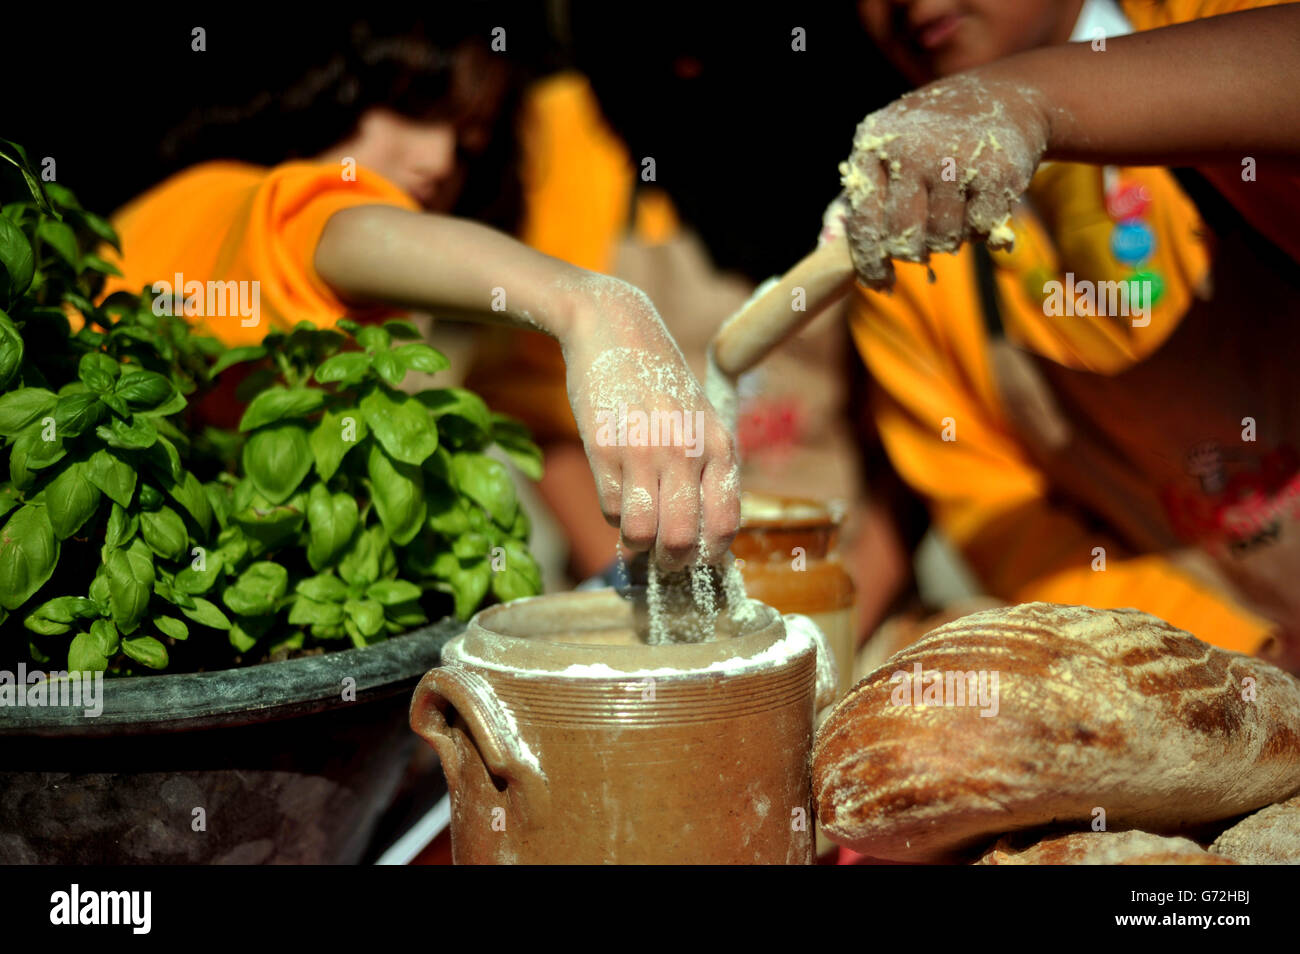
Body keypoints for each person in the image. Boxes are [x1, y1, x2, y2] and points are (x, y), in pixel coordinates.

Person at [99, 19, 739, 571]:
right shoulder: (222, 200)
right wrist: (596, 307)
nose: (437, 159)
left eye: (467, 142)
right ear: (327, 86)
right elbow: (345, 227)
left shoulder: (340, 303)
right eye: (413, 110)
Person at [835, 0, 1300, 670]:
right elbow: (1014, 529)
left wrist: (1033, 100)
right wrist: (1231, 654)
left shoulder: (1214, 24)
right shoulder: (908, 271)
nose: (915, 3)